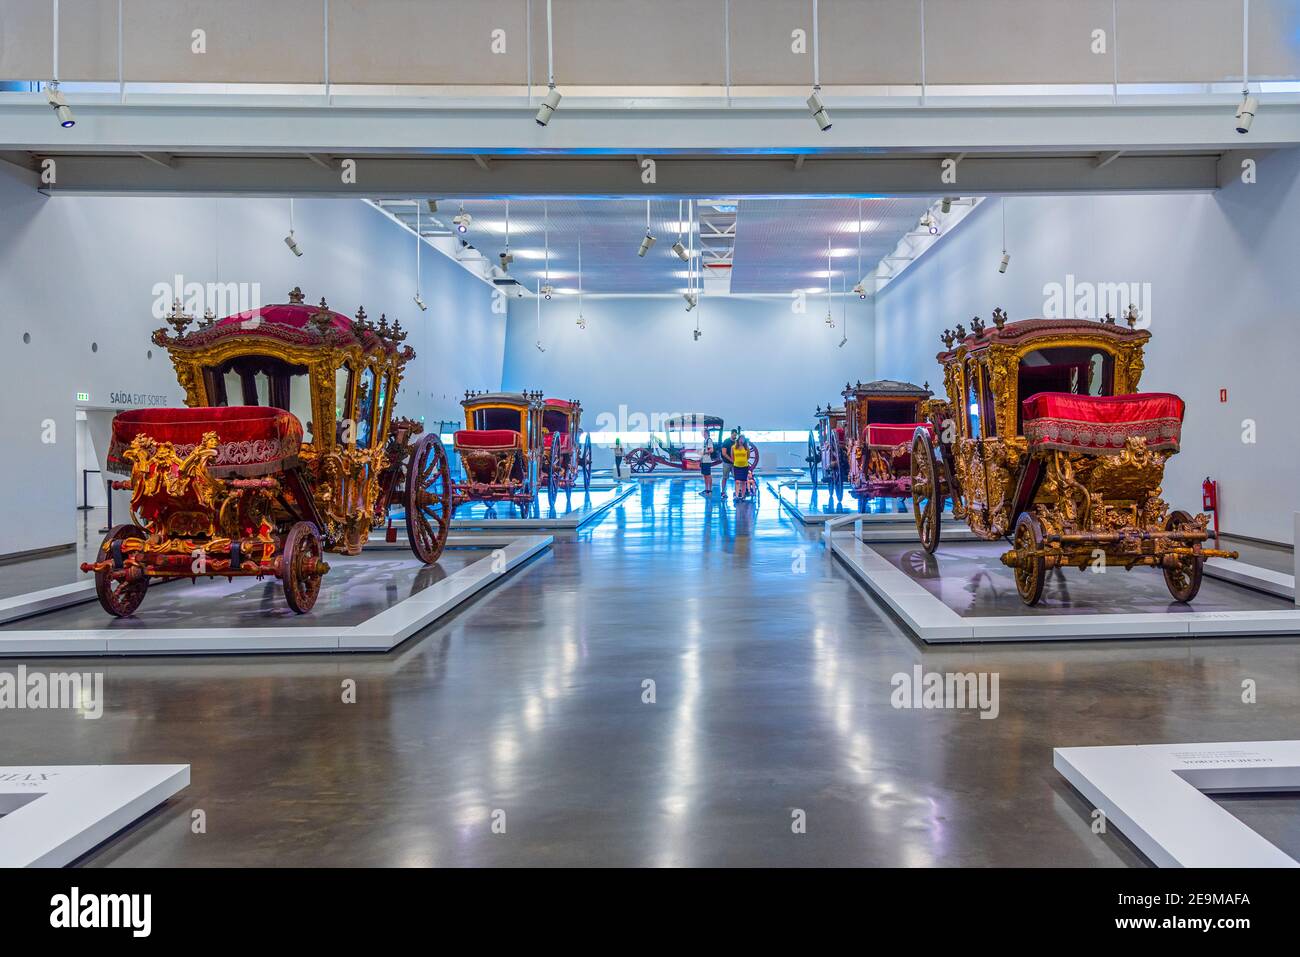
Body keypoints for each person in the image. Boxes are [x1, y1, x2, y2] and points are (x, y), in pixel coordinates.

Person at [731, 430, 754, 502]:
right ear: (738, 439)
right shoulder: (733, 447)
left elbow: (748, 457)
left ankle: (743, 496)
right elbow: (732, 456)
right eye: (740, 439)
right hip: (736, 466)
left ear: (744, 441)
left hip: (744, 466)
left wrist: (743, 461)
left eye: (743, 439)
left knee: (744, 482)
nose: (742, 440)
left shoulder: (746, 448)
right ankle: (737, 495)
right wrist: (737, 462)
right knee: (737, 481)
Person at [720, 428, 737, 495]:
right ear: (731, 434)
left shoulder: (737, 442)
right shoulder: (726, 441)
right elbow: (724, 453)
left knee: (736, 478)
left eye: (736, 435)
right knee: (725, 477)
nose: (735, 436)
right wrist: (731, 460)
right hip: (726, 463)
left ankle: (736, 492)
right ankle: (723, 492)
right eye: (734, 435)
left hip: (735, 463)